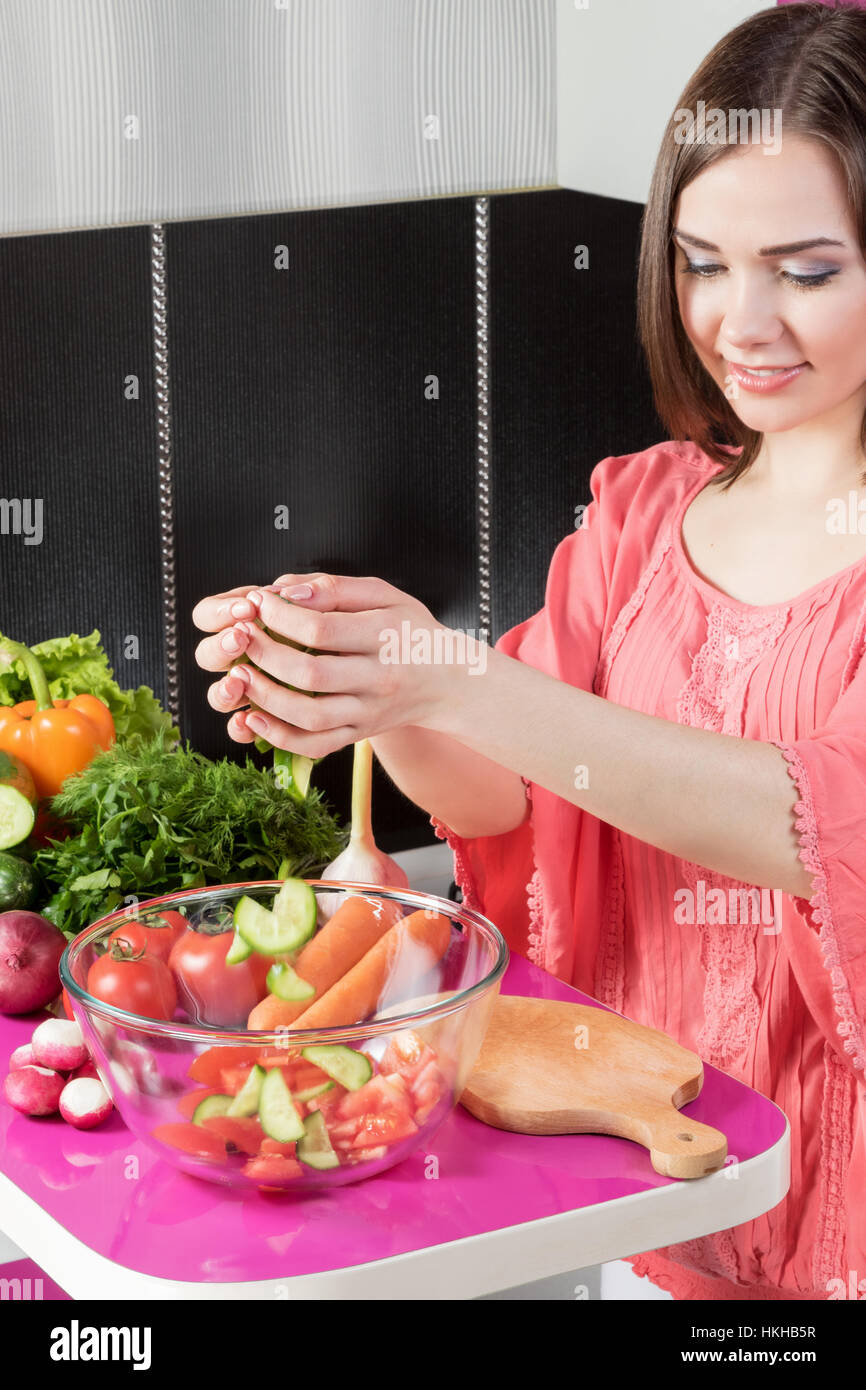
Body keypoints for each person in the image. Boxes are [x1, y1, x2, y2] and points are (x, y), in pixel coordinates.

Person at [192, 1, 866, 1299]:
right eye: (701, 261)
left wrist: (458, 674)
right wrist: (375, 674)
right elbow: (513, 795)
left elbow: (819, 826)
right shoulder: (647, 510)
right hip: (634, 1203)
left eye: (806, 267)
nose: (740, 321)